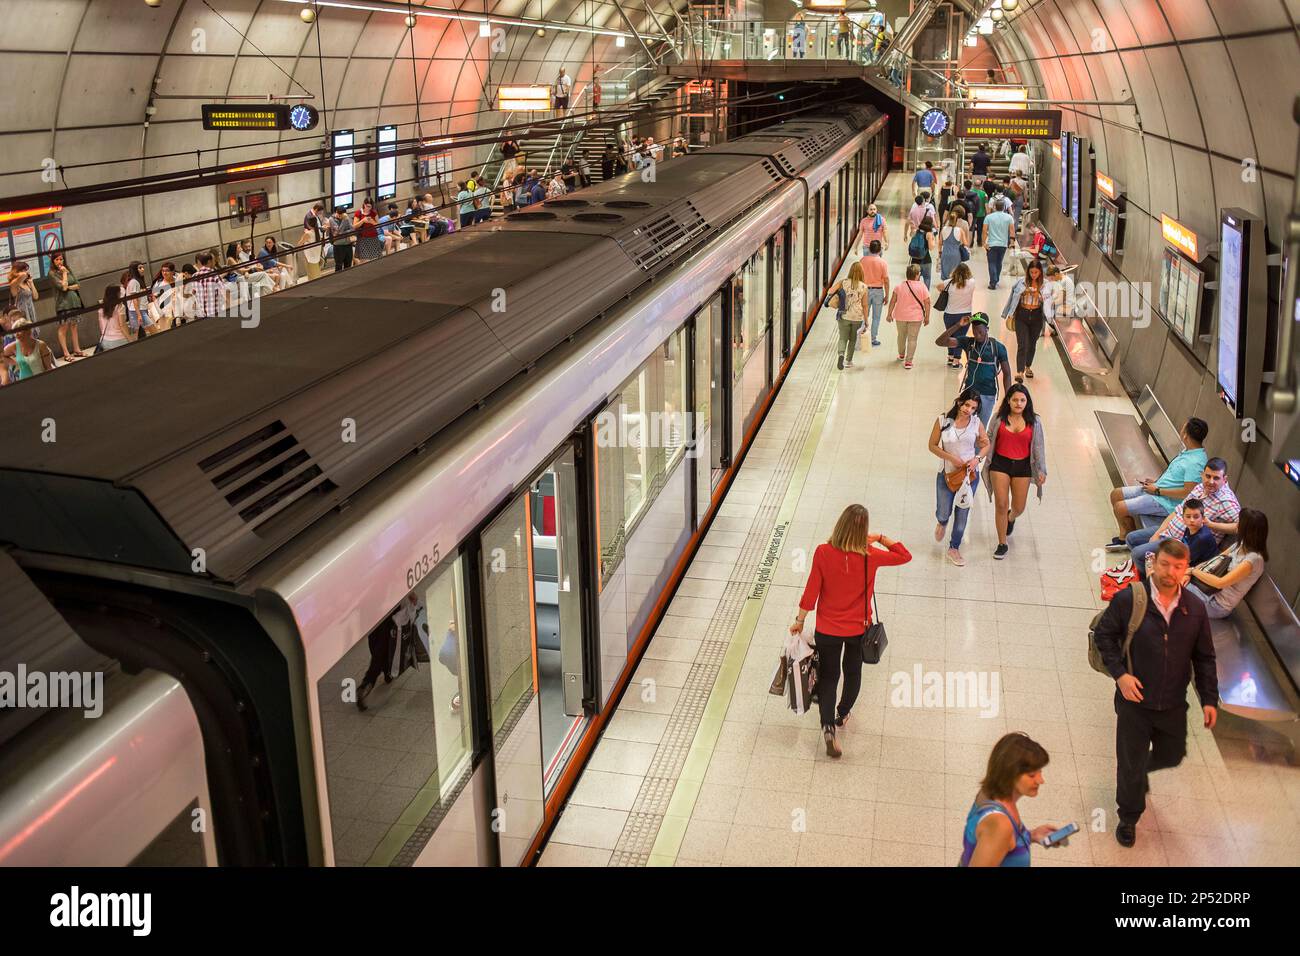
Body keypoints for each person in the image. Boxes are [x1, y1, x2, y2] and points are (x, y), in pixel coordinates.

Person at [1093, 538, 1217, 848]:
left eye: (1177, 566)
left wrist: (1209, 700)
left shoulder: (1195, 609)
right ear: (1153, 564)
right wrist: (1121, 675)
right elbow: (1104, 636)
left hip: (1173, 702)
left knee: (1172, 754)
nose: (1170, 572)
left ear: (1185, 568)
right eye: (1164, 564)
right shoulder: (1130, 600)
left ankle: (1134, 774)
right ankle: (1129, 816)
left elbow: (1204, 658)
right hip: (1134, 702)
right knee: (1132, 761)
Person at [790, 504, 911, 758]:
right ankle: (842, 714)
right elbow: (904, 555)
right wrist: (880, 538)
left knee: (829, 676)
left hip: (828, 629)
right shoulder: (871, 555)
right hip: (858, 629)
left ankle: (827, 727)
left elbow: (811, 592)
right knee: (853, 672)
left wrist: (800, 620)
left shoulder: (823, 552)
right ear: (863, 531)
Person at [960, 733, 1062, 866]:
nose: (1040, 780)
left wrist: (1031, 835)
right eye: (1032, 775)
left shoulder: (990, 794)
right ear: (1010, 773)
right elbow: (998, 836)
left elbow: (999, 844)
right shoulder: (1000, 825)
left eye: (1040, 772)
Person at [1107, 417, 1208, 543]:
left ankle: (1125, 538)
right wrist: (1156, 482)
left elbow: (1187, 492)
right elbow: (1175, 476)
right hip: (1157, 489)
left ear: (1186, 435)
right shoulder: (1188, 451)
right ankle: (1129, 533)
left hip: (1166, 502)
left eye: (1183, 428)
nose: (1181, 430)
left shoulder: (1195, 462)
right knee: (1116, 494)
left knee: (1119, 507)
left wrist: (1158, 490)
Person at [1124, 459, 1240, 562]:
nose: (1210, 481)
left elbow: (1240, 527)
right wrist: (1158, 533)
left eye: (1216, 478)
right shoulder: (1200, 487)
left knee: (1137, 555)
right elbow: (1177, 512)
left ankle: (1152, 581)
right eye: (1208, 476)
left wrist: (1212, 525)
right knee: (1131, 539)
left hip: (1180, 545)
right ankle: (1146, 570)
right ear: (1202, 475)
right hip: (1168, 531)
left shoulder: (1227, 501)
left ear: (1224, 479)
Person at [981, 384, 1047, 559]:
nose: (1019, 403)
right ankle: (1002, 543)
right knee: (1001, 504)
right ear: (1008, 401)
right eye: (1015, 400)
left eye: (1022, 400)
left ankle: (1011, 518)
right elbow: (987, 439)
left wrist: (1041, 470)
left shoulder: (1035, 421)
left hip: (1023, 466)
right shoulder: (998, 418)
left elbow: (1039, 447)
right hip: (999, 464)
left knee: (1019, 507)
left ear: (1027, 402)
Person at [929, 387, 990, 567]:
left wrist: (977, 459)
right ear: (959, 402)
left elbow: (986, 444)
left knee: (963, 512)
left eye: (973, 408)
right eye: (966, 405)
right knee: (943, 511)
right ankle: (942, 522)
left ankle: (954, 547)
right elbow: (932, 445)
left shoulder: (976, 423)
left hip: (969, 476)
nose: (968, 410)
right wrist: (951, 458)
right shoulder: (943, 420)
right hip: (946, 474)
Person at [1185, 508, 1268, 619]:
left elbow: (1220, 583)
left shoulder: (1253, 559)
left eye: (1239, 522)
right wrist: (1189, 572)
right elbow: (1215, 560)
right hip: (1205, 590)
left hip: (1216, 604)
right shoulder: (1240, 544)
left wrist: (1193, 571)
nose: (1236, 525)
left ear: (1246, 529)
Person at [934, 312, 1013, 427]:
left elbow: (1007, 374)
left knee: (980, 428)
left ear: (987, 329)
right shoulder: (968, 343)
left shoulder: (997, 348)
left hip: (987, 394)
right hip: (969, 393)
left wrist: (1008, 398)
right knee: (962, 426)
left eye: (980, 332)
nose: (977, 335)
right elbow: (940, 342)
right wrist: (958, 325)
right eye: (974, 331)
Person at [1131, 498, 1218, 580]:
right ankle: (1148, 582)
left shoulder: (1201, 538)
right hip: (1189, 560)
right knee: (1151, 557)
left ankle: (1151, 585)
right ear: (1183, 518)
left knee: (1153, 562)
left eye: (1196, 517)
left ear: (1203, 518)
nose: (1191, 520)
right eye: (1188, 516)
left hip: (1200, 569)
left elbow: (1187, 562)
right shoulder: (1190, 528)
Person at [1001, 258, 1053, 380]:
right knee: (1022, 344)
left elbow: (1048, 301)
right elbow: (1012, 298)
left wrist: (1038, 296)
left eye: (1036, 272)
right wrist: (1009, 313)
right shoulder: (1021, 282)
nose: (1033, 275)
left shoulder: (1045, 284)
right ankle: (1020, 371)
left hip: (1037, 316)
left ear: (1040, 272)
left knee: (1032, 344)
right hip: (1022, 315)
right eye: (1031, 272)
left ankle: (1028, 366)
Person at [825, 260, 867, 370]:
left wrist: (840, 295)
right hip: (857, 317)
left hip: (844, 315)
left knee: (843, 338)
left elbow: (829, 291)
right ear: (861, 273)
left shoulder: (843, 282)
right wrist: (866, 320)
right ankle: (848, 361)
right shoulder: (864, 287)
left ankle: (841, 355)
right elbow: (865, 305)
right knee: (852, 339)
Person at [886, 263, 929, 369]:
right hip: (916, 317)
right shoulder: (922, 287)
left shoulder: (899, 286)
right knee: (912, 339)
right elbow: (927, 302)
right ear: (917, 275)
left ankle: (901, 354)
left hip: (900, 316)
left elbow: (893, 301)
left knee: (901, 336)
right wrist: (927, 317)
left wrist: (889, 314)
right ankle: (908, 362)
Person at [935, 262, 975, 370]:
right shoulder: (971, 283)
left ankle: (950, 357)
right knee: (960, 338)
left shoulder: (949, 283)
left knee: (950, 336)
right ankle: (956, 361)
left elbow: (938, 287)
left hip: (949, 314)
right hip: (964, 314)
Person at [49, 252, 86, 360]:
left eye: (61, 259)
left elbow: (78, 284)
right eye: (57, 260)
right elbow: (63, 288)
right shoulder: (52, 273)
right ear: (53, 261)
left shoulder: (68, 269)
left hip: (74, 302)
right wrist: (64, 274)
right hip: (63, 304)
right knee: (63, 327)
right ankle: (66, 353)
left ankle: (77, 350)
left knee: (74, 326)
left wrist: (68, 286)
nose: (59, 262)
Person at [860, 239, 890, 347]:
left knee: (864, 314)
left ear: (869, 249)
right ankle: (872, 339)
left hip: (865, 291)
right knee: (876, 317)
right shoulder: (882, 262)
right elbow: (886, 280)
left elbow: (859, 277)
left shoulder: (862, 260)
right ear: (880, 250)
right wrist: (887, 295)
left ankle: (861, 336)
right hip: (878, 291)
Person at [983, 198, 1016, 289]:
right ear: (1004, 207)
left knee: (992, 262)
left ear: (994, 207)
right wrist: (1012, 242)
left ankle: (993, 282)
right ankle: (996, 279)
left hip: (991, 244)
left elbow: (984, 231)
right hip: (1003, 244)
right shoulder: (1009, 217)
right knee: (999, 262)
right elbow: (1012, 231)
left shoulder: (988, 217)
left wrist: (984, 243)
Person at [122, 260, 159, 336]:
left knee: (141, 334)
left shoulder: (139, 281)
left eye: (142, 267)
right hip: (137, 311)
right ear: (135, 270)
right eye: (140, 268)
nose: (143, 269)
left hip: (141, 310)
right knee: (153, 331)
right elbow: (134, 299)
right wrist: (139, 314)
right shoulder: (133, 282)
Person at [96, 284, 131, 350]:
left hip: (105, 341)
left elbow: (101, 326)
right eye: (119, 293)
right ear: (116, 294)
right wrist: (130, 340)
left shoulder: (101, 307)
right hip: (119, 340)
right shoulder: (120, 307)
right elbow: (122, 325)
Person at [938, 208, 968, 282]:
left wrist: (939, 253)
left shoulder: (943, 229)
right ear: (956, 220)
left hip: (945, 253)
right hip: (956, 254)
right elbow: (965, 243)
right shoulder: (960, 230)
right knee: (955, 274)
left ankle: (946, 289)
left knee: (945, 273)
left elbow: (940, 243)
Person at [7, 261, 38, 326]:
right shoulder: (14, 284)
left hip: (31, 310)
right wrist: (20, 274)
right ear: (17, 271)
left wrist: (31, 283)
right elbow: (23, 275)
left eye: (27, 270)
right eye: (24, 270)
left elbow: (35, 297)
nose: (27, 272)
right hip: (21, 312)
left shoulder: (26, 283)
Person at [909, 215, 936, 288]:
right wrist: (933, 239)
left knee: (914, 281)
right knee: (927, 278)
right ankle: (925, 296)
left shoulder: (916, 231)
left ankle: (915, 296)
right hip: (926, 260)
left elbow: (911, 238)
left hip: (914, 260)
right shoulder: (929, 234)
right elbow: (931, 248)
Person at [329, 206, 356, 271]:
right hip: (338, 246)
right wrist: (344, 220)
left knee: (348, 265)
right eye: (340, 215)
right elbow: (339, 232)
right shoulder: (331, 219)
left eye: (342, 215)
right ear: (336, 212)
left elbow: (352, 229)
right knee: (339, 265)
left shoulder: (346, 217)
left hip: (348, 244)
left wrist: (344, 232)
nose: (341, 217)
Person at [966, 179, 988, 247]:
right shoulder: (984, 194)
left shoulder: (969, 193)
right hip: (981, 214)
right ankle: (979, 242)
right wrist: (987, 213)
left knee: (971, 228)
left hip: (972, 214)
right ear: (980, 185)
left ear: (973, 185)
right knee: (980, 229)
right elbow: (986, 205)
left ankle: (971, 243)